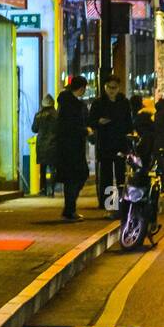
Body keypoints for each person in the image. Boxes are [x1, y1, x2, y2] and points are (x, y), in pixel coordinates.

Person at [89, 72, 133, 218]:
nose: (112, 90)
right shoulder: (98, 103)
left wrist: (130, 135)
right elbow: (91, 121)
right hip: (105, 143)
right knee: (106, 175)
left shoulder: (124, 102)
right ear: (105, 87)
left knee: (121, 175)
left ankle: (121, 203)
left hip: (120, 143)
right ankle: (108, 204)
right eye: (109, 87)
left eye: (114, 87)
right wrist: (99, 122)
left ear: (119, 87)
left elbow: (128, 122)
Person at [55, 75, 91, 220]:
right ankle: (70, 210)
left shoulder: (65, 102)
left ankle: (69, 209)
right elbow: (72, 126)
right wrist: (85, 131)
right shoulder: (73, 105)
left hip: (66, 147)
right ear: (81, 88)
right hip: (72, 147)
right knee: (77, 177)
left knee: (72, 178)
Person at [31, 94, 58, 196]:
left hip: (41, 145)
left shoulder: (38, 115)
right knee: (53, 168)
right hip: (54, 144)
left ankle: (43, 189)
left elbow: (34, 129)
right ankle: (52, 189)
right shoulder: (57, 115)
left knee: (42, 168)